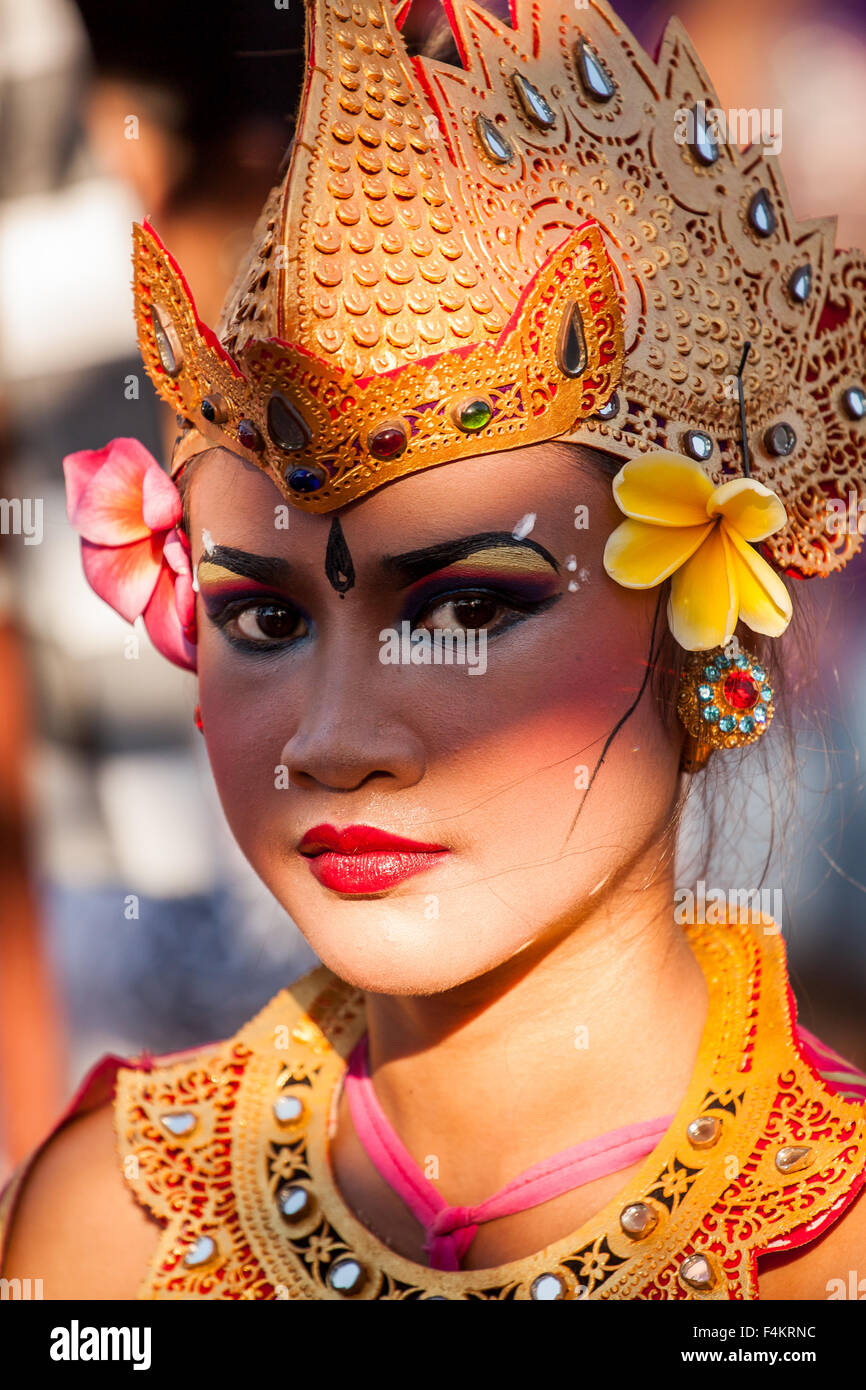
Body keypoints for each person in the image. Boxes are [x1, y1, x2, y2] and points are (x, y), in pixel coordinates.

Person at [1, 0, 865, 1301]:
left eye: (462, 609)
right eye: (266, 618)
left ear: (704, 607)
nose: (334, 736)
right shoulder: (103, 1229)